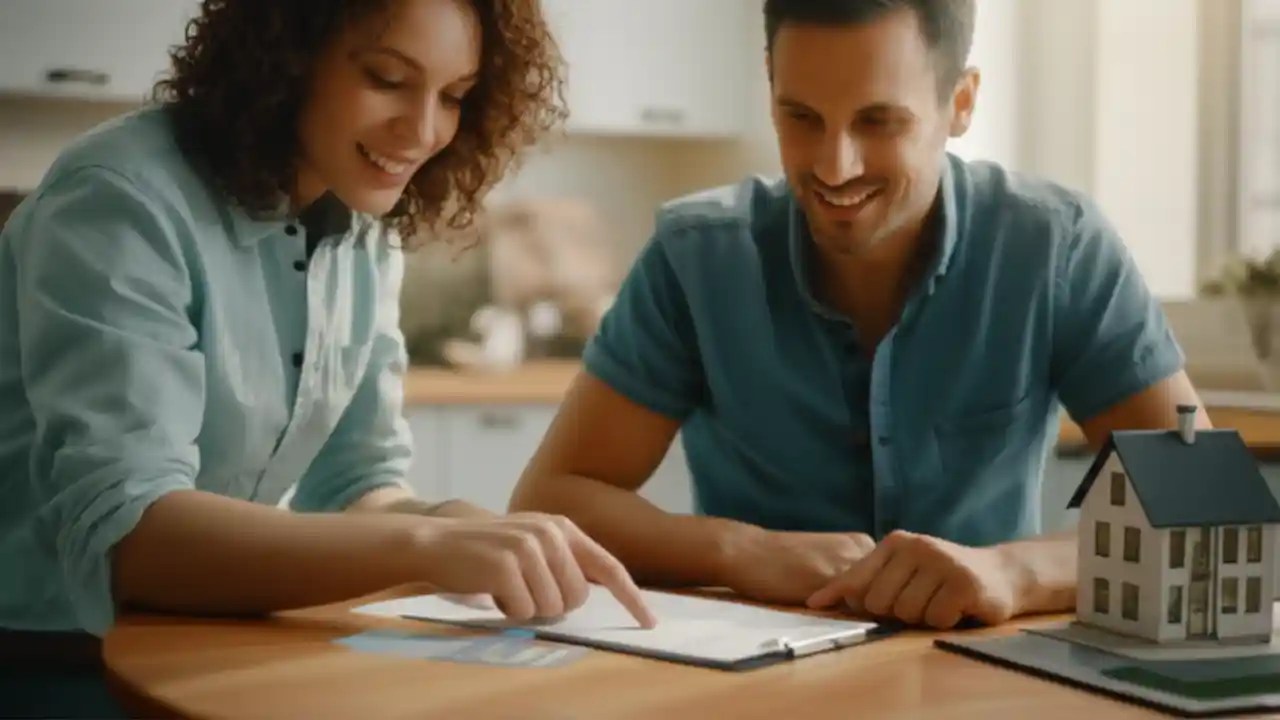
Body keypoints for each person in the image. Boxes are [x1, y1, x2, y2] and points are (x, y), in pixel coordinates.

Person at [0, 0, 654, 715]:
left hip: (201, 644)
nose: (425, 130)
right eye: (386, 78)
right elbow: (128, 537)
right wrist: (425, 545)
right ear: (287, 54)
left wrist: (468, 525)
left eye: (454, 97)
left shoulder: (360, 226)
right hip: (44, 657)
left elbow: (355, 484)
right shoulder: (120, 198)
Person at [510, 0, 1207, 631]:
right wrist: (739, 551)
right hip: (752, 684)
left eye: (879, 122)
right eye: (801, 117)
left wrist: (1014, 571)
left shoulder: (1057, 246)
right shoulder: (694, 259)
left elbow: (1200, 511)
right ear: (770, 84)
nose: (834, 166)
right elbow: (554, 500)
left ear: (960, 102)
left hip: (985, 682)